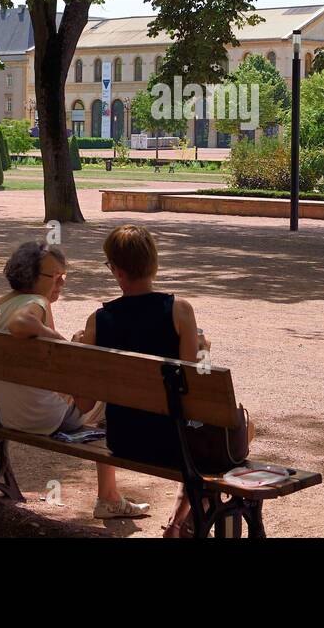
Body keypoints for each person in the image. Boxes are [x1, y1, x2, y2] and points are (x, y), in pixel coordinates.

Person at [81, 224, 251, 537]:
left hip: (124, 439)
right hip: (172, 444)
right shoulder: (180, 312)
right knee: (239, 429)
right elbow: (191, 392)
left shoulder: (98, 321)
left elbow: (85, 403)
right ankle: (180, 522)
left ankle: (179, 522)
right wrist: (205, 352)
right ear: (153, 265)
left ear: (117, 271)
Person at [0, 241, 150, 521]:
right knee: (111, 388)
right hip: (45, 417)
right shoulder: (37, 302)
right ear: (29, 276)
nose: (61, 282)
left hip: (7, 413)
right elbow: (21, 324)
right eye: (54, 276)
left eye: (63, 275)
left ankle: (110, 495)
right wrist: (63, 341)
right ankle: (108, 498)